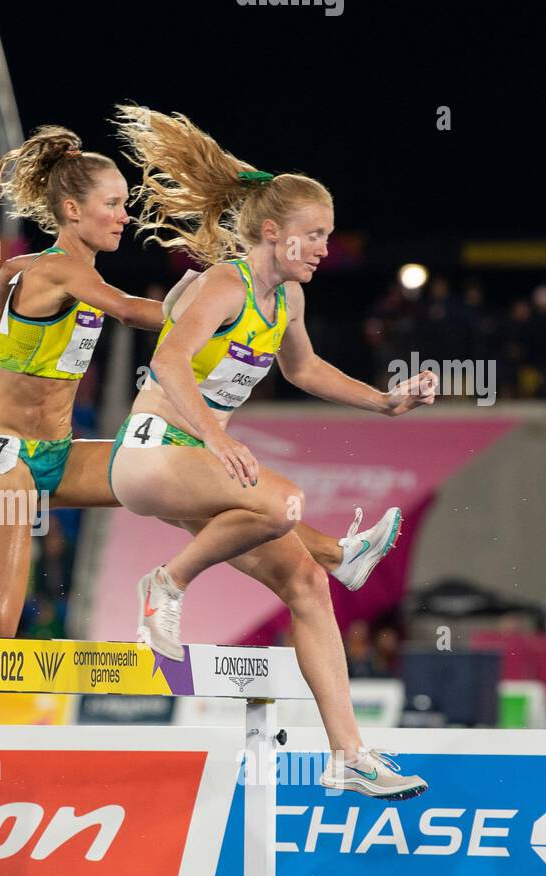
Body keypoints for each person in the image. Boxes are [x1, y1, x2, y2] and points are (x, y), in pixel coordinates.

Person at [0, 126, 399, 637]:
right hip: (8, 464)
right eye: (112, 204)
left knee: (182, 489)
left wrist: (0, 307)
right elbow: (140, 312)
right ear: (70, 212)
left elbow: (10, 268)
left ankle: (336, 556)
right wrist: (205, 296)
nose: (124, 215)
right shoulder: (64, 270)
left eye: (124, 202)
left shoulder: (39, 271)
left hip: (62, 454)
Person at [107, 107, 436, 800]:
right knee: (283, 500)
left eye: (327, 236)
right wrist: (217, 435)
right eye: (313, 236)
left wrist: (386, 400)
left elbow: (305, 370)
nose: (324, 248)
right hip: (150, 452)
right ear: (271, 233)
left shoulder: (284, 297)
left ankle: (348, 754)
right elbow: (168, 362)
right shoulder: (223, 284)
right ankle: (164, 587)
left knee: (306, 589)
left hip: (192, 463)